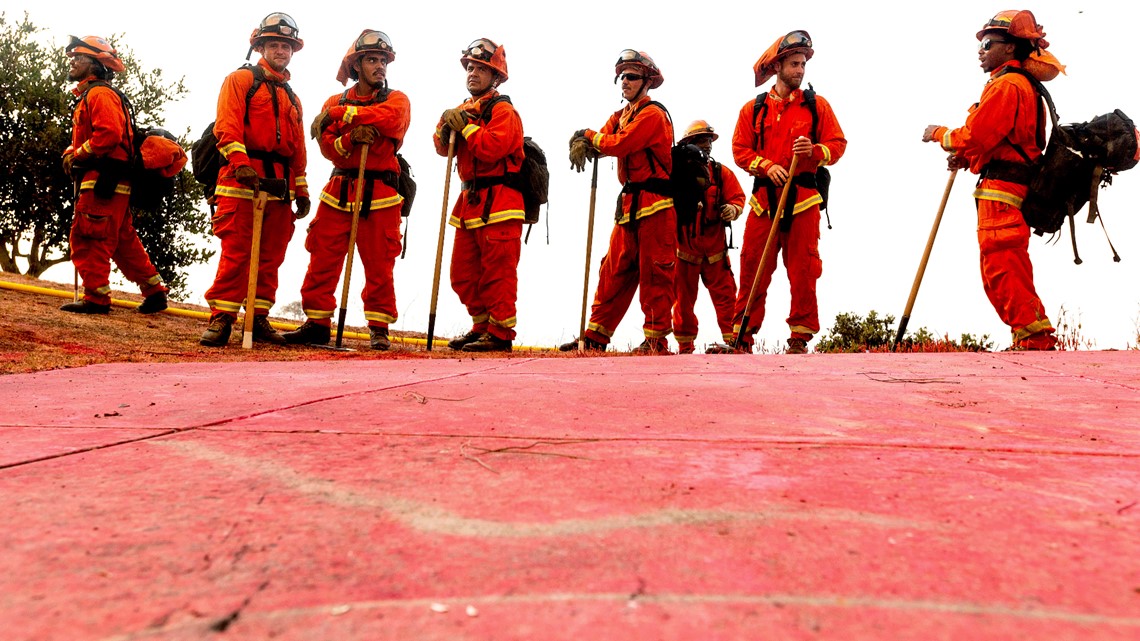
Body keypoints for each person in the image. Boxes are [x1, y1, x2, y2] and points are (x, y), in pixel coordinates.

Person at [922, 10, 1058, 350]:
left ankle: (1034, 339)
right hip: (1002, 188)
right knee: (1000, 267)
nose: (980, 50)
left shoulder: (1008, 86)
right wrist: (967, 157)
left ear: (1010, 49)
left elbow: (977, 134)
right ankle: (1028, 336)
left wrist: (940, 134)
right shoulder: (1012, 84)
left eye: (988, 43)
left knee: (1004, 265)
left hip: (1003, 194)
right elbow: (996, 139)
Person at [716, 30, 846, 355]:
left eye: (803, 64)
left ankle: (799, 338)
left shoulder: (817, 106)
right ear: (777, 67)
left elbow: (838, 144)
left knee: (804, 269)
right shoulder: (753, 109)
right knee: (751, 267)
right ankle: (741, 337)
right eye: (794, 64)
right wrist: (763, 165)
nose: (800, 71)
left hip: (803, 201)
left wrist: (815, 151)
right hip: (763, 202)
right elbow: (739, 149)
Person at [283, 30, 410, 350]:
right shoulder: (332, 101)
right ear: (356, 66)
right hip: (339, 189)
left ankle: (379, 327)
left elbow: (391, 120)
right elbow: (329, 150)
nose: (380, 66)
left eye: (383, 61)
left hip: (380, 193)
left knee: (380, 263)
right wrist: (350, 139)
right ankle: (317, 323)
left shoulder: (396, 100)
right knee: (322, 257)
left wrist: (346, 116)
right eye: (372, 60)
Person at [200, 12, 310, 347]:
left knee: (271, 256)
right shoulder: (240, 80)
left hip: (279, 183)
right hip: (240, 179)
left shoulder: (293, 97)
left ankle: (258, 317)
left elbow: (298, 147)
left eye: (286, 46)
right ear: (260, 46)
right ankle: (222, 317)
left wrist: (301, 187)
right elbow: (227, 125)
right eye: (275, 44)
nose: (282, 50)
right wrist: (239, 162)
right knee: (237, 251)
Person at [562, 49, 677, 355]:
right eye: (622, 76)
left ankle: (656, 340)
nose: (624, 82)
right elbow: (604, 139)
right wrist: (584, 142)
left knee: (656, 272)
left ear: (647, 81)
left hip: (656, 204)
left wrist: (587, 135)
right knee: (613, 270)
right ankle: (596, 335)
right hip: (629, 204)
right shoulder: (621, 115)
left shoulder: (653, 115)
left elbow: (620, 143)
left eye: (632, 76)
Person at [61, 35, 168, 316]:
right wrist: (71, 151)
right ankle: (154, 291)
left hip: (102, 179)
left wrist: (78, 155)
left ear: (95, 64)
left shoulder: (99, 94)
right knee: (122, 240)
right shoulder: (97, 94)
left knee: (89, 236)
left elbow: (108, 135)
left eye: (78, 57)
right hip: (112, 180)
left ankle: (96, 298)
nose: (72, 62)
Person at [433, 38, 526, 353]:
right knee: (462, 273)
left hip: (500, 201)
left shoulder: (504, 110)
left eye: (481, 69)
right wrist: (445, 128)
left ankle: (500, 334)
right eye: (470, 67)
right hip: (470, 202)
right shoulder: (462, 108)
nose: (472, 73)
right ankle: (482, 325)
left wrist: (468, 128)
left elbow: (493, 147)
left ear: (495, 76)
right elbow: (442, 147)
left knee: (498, 273)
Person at [671, 120, 746, 354]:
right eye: (702, 140)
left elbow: (738, 197)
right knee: (682, 304)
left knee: (727, 300)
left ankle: (733, 344)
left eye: (709, 141)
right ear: (689, 144)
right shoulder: (675, 174)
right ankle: (685, 347)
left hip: (715, 252)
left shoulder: (720, 173)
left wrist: (732, 210)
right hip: (684, 251)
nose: (707, 146)